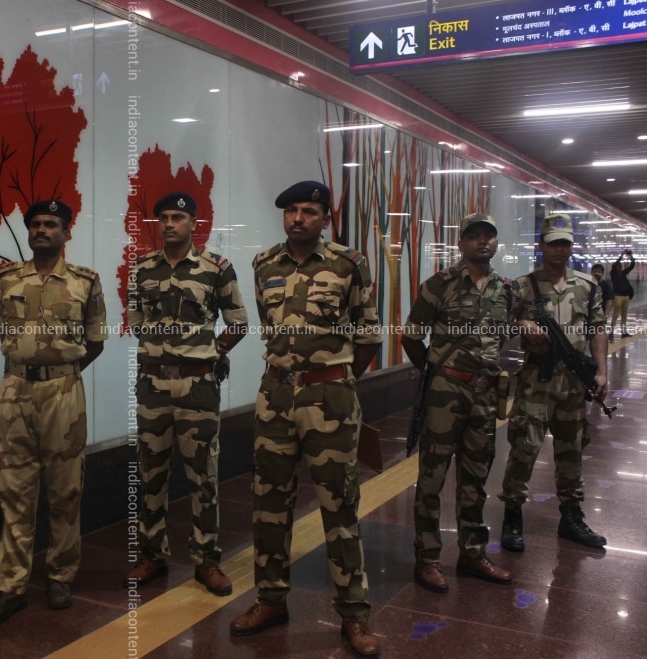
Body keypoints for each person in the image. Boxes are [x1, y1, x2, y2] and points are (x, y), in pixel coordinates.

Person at [229, 181, 381, 657]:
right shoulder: (263, 265)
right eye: (291, 211)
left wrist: (333, 380)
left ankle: (354, 614)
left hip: (329, 396)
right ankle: (271, 599)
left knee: (339, 505)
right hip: (275, 393)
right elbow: (269, 328)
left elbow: (369, 333)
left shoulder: (348, 264)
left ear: (324, 218)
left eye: (309, 211)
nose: (298, 218)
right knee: (269, 503)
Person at [0, 199, 107, 627]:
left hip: (63, 392)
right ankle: (11, 586)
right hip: (15, 390)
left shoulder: (86, 282)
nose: (41, 230)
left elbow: (96, 341)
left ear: (66, 233)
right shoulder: (8, 279)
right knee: (14, 490)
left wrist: (60, 373)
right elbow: (3, 331)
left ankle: (60, 576)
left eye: (51, 224)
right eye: (35, 224)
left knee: (66, 486)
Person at [125, 191, 249, 597]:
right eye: (163, 217)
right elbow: (136, 319)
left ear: (194, 224)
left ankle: (207, 559)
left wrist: (212, 353)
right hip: (153, 386)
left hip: (198, 386)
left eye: (178, 216)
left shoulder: (216, 268)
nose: (169, 223)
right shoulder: (141, 269)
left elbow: (238, 321)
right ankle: (152, 555)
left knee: (203, 477)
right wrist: (162, 348)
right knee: (151, 472)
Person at [401, 212, 513, 595]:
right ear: (461, 243)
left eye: (489, 236)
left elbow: (505, 338)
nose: (483, 241)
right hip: (446, 393)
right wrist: (438, 372)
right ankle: (428, 559)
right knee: (432, 477)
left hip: (484, 395)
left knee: (476, 477)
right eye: (474, 236)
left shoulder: (506, 290)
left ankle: (472, 553)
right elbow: (411, 337)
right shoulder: (439, 285)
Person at [499, 213, 608, 552]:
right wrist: (523, 324)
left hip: (574, 382)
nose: (560, 249)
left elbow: (597, 329)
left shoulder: (587, 287)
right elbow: (501, 326)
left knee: (572, 448)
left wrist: (602, 372)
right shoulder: (523, 286)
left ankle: (572, 516)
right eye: (553, 243)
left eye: (565, 243)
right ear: (541, 245)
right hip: (536, 380)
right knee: (525, 447)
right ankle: (513, 514)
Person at [610, 249, 636, 337]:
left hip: (626, 297)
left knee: (624, 315)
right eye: (618, 266)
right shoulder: (613, 274)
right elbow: (615, 264)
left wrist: (631, 257)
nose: (619, 268)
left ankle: (624, 332)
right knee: (615, 314)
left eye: (620, 267)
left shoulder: (623, 274)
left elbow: (632, 266)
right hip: (618, 297)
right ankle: (611, 332)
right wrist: (621, 256)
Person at [590, 263, 613, 334]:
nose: (596, 273)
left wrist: (605, 315)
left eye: (599, 272)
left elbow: (609, 302)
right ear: (591, 273)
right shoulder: (587, 284)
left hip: (600, 314)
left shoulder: (606, 286)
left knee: (599, 334)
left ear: (602, 273)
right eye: (594, 272)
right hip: (588, 314)